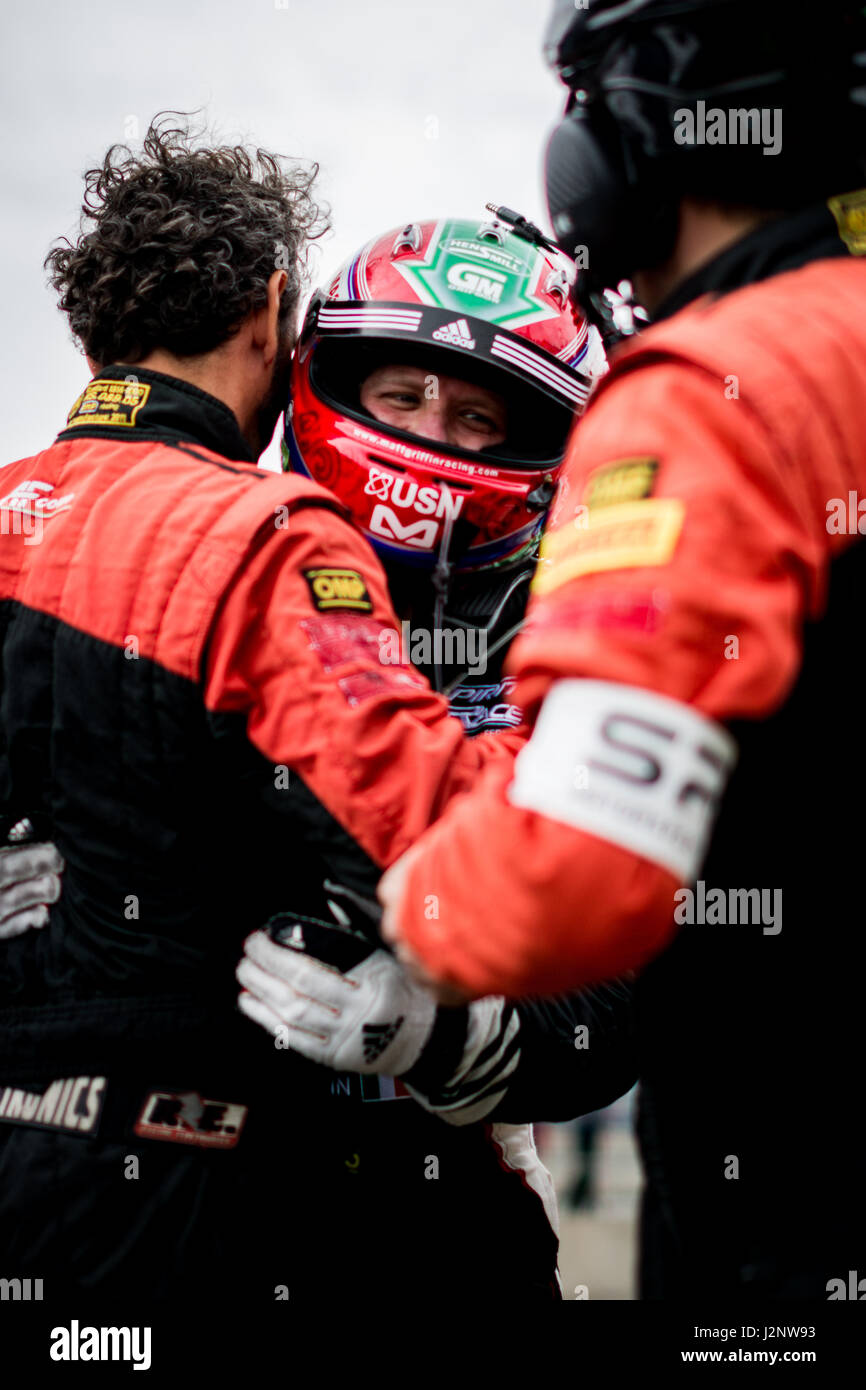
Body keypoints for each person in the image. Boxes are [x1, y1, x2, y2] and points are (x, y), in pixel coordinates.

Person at [0, 124, 629, 1307]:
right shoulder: (208, 555)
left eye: (478, 422)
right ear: (305, 368)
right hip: (192, 1189)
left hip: (435, 1193)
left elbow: (627, 957)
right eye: (403, 394)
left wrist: (467, 1041)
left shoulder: (574, 620)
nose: (431, 443)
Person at [377, 0, 866, 1300]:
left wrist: (415, 911)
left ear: (635, 130)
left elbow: (583, 868)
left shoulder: (709, 385)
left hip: (791, 1175)